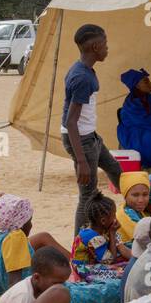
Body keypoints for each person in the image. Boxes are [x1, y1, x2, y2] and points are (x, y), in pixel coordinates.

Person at [61, 24, 122, 236]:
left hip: (90, 136)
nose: (107, 48)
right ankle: (79, 247)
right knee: (87, 196)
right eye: (105, 44)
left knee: (115, 169)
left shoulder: (85, 70)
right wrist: (81, 161)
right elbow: (71, 123)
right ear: (95, 46)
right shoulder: (82, 78)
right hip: (80, 139)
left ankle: (132, 212)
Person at [0, 193, 71, 295]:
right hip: (34, 295)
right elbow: (15, 283)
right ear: (21, 225)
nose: (31, 225)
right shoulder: (16, 238)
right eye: (30, 221)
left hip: (17, 294)